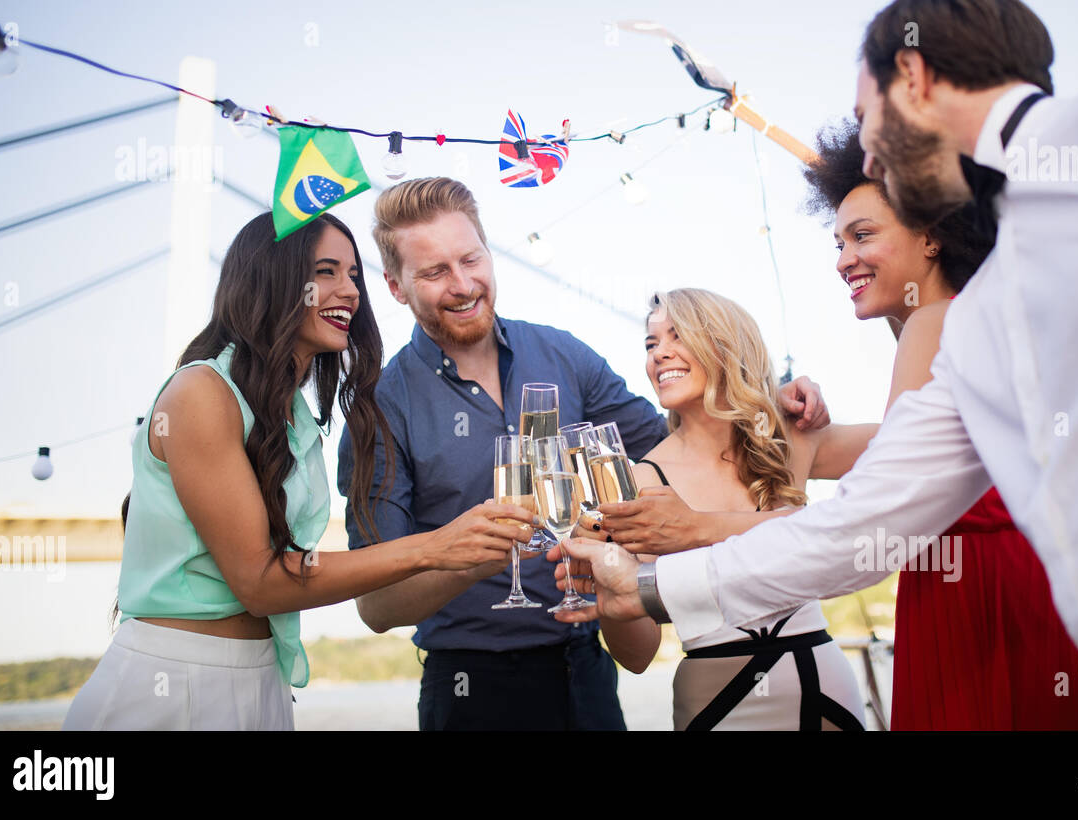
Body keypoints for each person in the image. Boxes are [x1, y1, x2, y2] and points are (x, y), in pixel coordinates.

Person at [558, 0, 1078, 730]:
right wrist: (647, 589)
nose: (863, 149)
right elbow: (865, 529)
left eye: (865, 118)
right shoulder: (981, 320)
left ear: (916, 77)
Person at [336, 177, 830, 731]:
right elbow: (377, 608)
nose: (462, 284)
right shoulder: (378, 408)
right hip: (473, 690)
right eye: (434, 272)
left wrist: (763, 400)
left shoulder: (563, 355)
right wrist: (479, 555)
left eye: (471, 260)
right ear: (397, 287)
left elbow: (686, 446)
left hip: (588, 674)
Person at [63, 212, 534, 731]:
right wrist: (436, 546)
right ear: (270, 279)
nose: (349, 291)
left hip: (260, 679)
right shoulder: (201, 393)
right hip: (173, 689)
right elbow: (261, 582)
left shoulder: (293, 415)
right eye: (326, 271)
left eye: (354, 274)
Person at [806, 118, 1078, 729]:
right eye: (837, 243)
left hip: (978, 601)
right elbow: (866, 447)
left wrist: (698, 537)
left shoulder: (932, 324)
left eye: (861, 235)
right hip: (1030, 594)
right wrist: (799, 419)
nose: (844, 260)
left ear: (932, 235)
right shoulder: (974, 323)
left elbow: (877, 497)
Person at [576, 288, 878, 730]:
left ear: (725, 344)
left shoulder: (792, 435)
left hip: (824, 686)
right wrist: (608, 588)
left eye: (677, 336)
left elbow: (922, 447)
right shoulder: (638, 483)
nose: (659, 354)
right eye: (651, 343)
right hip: (716, 703)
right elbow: (638, 657)